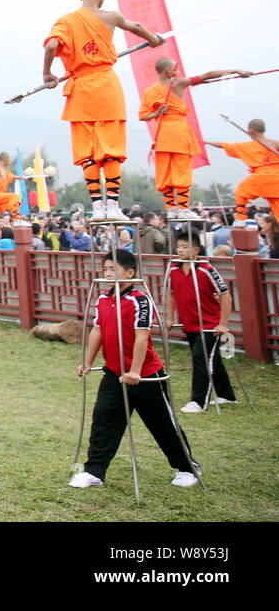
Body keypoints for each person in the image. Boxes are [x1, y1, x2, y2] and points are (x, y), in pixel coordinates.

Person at [69, 250, 198, 490]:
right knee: (104, 421)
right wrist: (87, 362)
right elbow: (97, 331)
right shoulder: (103, 299)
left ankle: (187, 468)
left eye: (113, 269)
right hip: (113, 374)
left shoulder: (139, 300)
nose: (108, 273)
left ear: (130, 273)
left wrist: (136, 371)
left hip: (146, 376)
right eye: (105, 268)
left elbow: (142, 336)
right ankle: (94, 471)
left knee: (163, 425)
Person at [42, 0, 165, 221]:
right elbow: (138, 28)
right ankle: (113, 207)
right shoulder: (111, 17)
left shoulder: (65, 21)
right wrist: (154, 40)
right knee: (111, 149)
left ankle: (97, 207)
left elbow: (51, 46)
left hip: (80, 91)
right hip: (106, 88)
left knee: (87, 150)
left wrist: (47, 73)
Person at [139, 60, 249, 217]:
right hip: (177, 132)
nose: (177, 71)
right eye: (174, 68)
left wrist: (156, 114)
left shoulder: (150, 91)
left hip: (162, 134)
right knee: (181, 170)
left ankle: (171, 209)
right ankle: (182, 208)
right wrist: (236, 70)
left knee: (165, 173)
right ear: (167, 70)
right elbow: (208, 75)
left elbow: (143, 116)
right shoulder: (177, 84)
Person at [165, 232, 236, 413]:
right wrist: (170, 317)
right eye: (178, 247)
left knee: (201, 358)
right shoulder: (172, 268)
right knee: (213, 359)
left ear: (196, 249)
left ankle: (198, 401)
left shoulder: (206, 269)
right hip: (190, 323)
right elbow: (170, 293)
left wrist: (223, 323)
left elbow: (225, 295)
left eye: (184, 247)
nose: (180, 250)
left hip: (209, 323)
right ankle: (227, 395)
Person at [204, 118, 279, 223]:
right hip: (277, 179)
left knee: (241, 192)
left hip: (261, 177)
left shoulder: (247, 146)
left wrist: (206, 142)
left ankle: (240, 217)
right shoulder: (275, 143)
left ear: (251, 131)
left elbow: (223, 145)